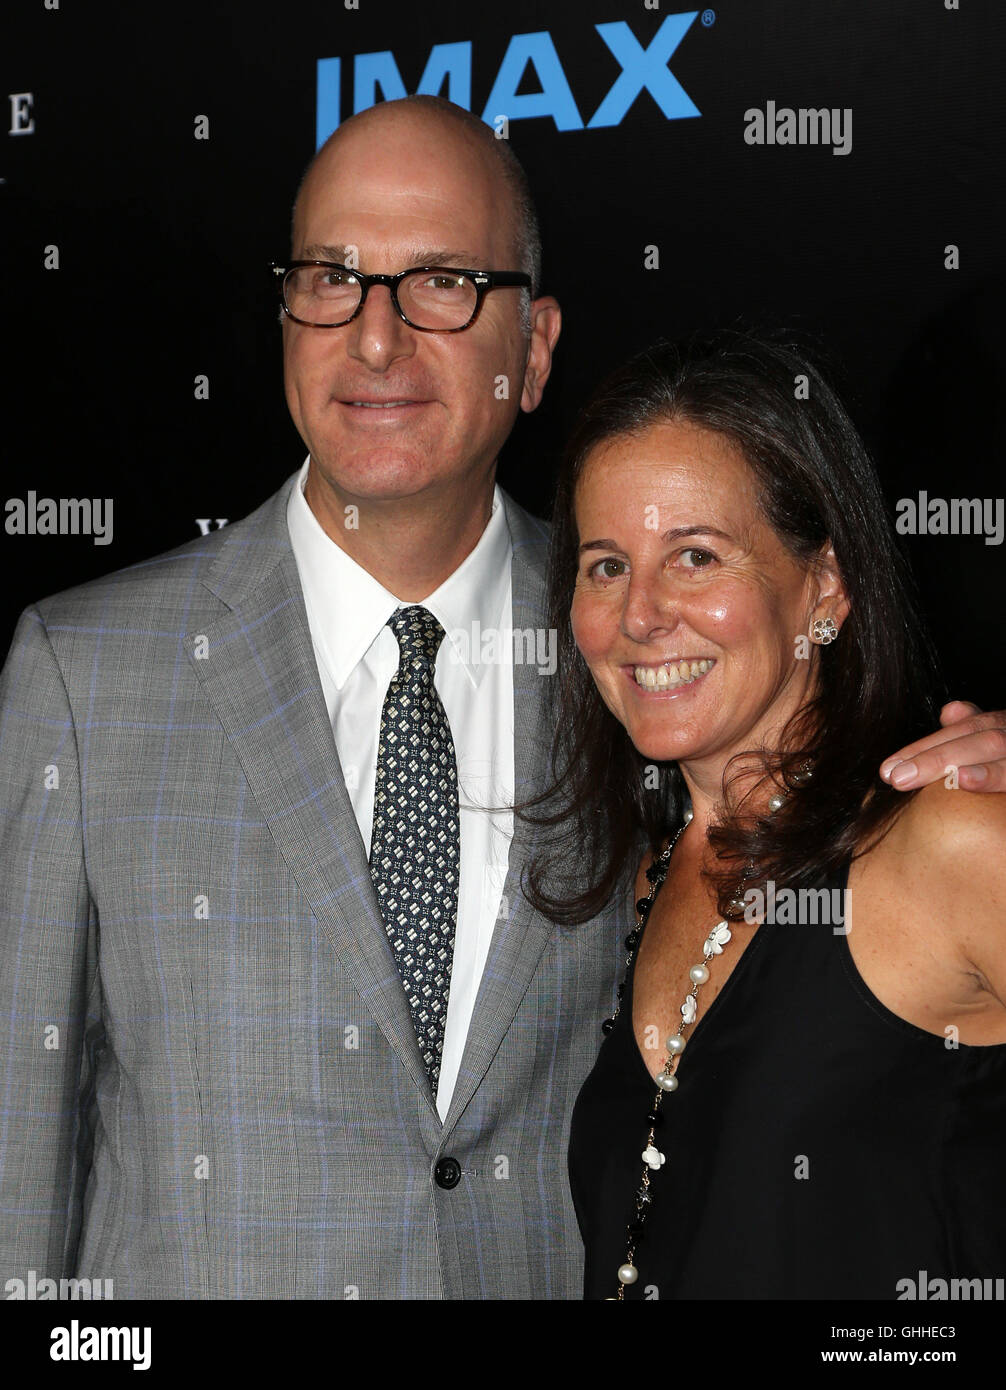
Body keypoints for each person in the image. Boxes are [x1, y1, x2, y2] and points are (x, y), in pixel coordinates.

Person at [0, 99, 1002, 1302]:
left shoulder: (638, 677)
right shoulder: (83, 671)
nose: (375, 339)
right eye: (332, 277)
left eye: (440, 282)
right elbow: (20, 1155)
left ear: (532, 350)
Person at [522, 330, 1006, 1300]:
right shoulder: (641, 880)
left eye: (695, 555)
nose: (641, 613)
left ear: (823, 586)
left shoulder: (946, 839)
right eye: (605, 564)